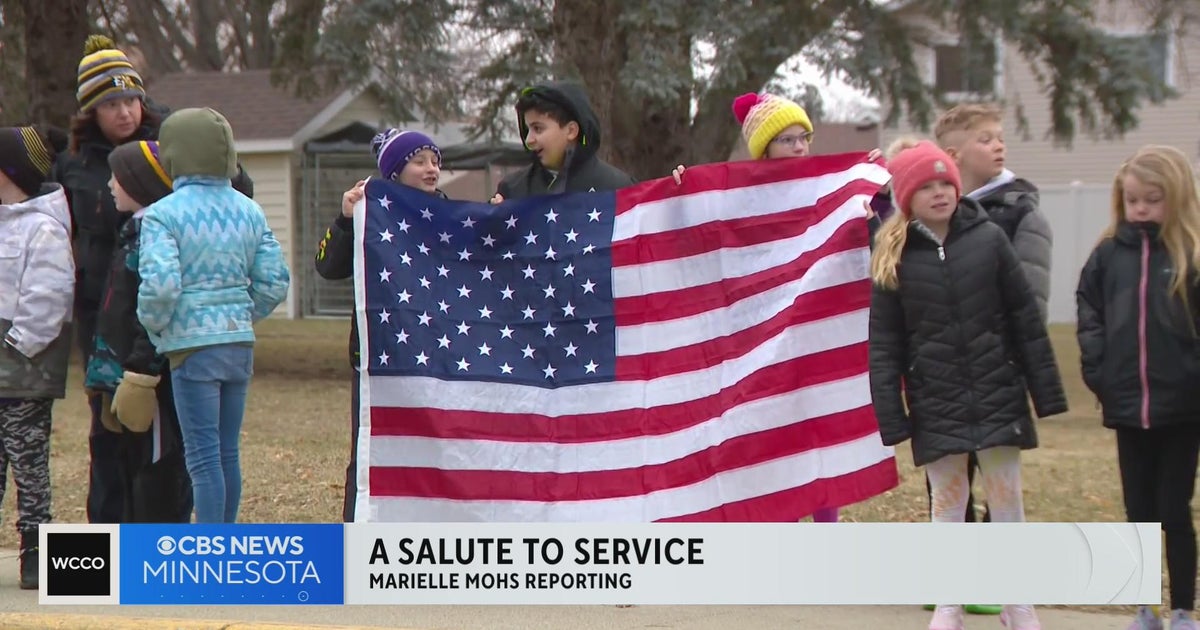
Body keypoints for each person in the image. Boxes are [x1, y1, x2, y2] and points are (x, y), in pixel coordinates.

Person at [53, 34, 254, 524]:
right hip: (102, 318)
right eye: (110, 104)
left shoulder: (176, 145)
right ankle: (106, 540)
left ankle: (162, 536)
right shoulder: (75, 164)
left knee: (164, 436)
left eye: (131, 99)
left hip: (170, 319)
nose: (124, 112)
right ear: (90, 111)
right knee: (108, 432)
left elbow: (235, 189)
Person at [868, 140, 1067, 630]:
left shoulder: (990, 240)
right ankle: (948, 604)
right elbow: (884, 343)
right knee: (948, 505)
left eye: (946, 183)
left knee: (1006, 502)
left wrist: (1046, 392)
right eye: (926, 186)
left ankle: (1017, 603)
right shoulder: (893, 258)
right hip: (936, 401)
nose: (939, 193)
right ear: (907, 196)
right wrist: (892, 416)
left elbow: (1024, 316)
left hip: (998, 392)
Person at [136, 107, 290, 523]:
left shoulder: (163, 214)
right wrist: (238, 315)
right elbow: (275, 281)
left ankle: (208, 552)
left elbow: (161, 286)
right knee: (227, 452)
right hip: (237, 343)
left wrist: (157, 325)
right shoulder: (249, 210)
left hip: (190, 347)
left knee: (202, 458)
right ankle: (227, 546)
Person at [1077, 145, 1200, 630]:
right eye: (1134, 200)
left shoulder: (1190, 256)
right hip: (1128, 405)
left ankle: (1184, 609)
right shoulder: (1109, 256)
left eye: (1153, 199)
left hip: (1183, 409)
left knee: (1175, 509)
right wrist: (1099, 370)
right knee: (1139, 511)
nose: (1142, 209)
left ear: (1176, 198)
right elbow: (1089, 310)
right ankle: (1143, 608)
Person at [314, 128, 447, 521]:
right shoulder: (370, 211)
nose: (431, 169)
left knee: (432, 449)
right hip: (378, 356)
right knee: (370, 450)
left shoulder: (451, 213)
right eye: (420, 161)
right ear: (395, 171)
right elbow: (327, 266)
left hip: (436, 353)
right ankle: (358, 537)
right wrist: (344, 220)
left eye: (436, 161)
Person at [83, 139, 192, 523]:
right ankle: (129, 560)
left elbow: (155, 311)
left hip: (147, 380)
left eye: (118, 177)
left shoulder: (154, 236)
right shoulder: (131, 230)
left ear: (141, 184)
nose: (110, 185)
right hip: (121, 375)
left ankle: (158, 558)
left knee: (156, 468)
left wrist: (141, 373)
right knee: (125, 466)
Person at [0, 125, 74, 589]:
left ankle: (34, 547)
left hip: (25, 370)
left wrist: (17, 345)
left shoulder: (43, 227)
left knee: (28, 461)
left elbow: (50, 296)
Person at [489, 81, 635, 202]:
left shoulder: (617, 187)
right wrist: (494, 219)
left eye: (538, 129)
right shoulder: (513, 189)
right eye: (527, 130)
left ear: (571, 131)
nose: (529, 140)